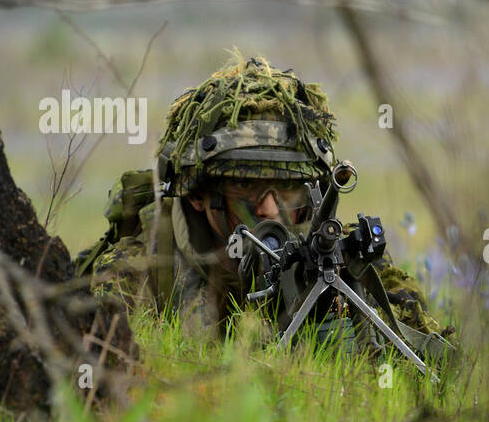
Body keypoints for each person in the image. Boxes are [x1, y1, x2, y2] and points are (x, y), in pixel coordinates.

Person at [74, 54, 447, 357]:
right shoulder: (143, 267)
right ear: (199, 196)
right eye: (245, 185)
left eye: (286, 187)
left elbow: (430, 361)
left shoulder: (346, 264)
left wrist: (343, 319)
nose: (270, 210)